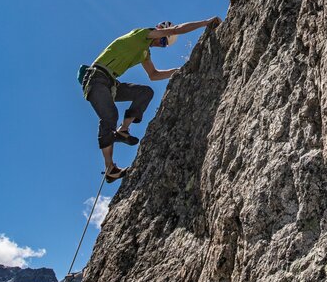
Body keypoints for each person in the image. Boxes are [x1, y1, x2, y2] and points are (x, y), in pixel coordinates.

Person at [81, 17, 222, 182]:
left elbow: (153, 75)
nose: (160, 44)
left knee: (145, 92)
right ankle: (110, 167)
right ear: (159, 30)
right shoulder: (143, 34)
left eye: (164, 45)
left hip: (111, 83)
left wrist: (180, 69)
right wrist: (206, 22)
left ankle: (123, 130)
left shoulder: (145, 52)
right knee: (110, 116)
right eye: (162, 39)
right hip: (96, 78)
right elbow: (176, 30)